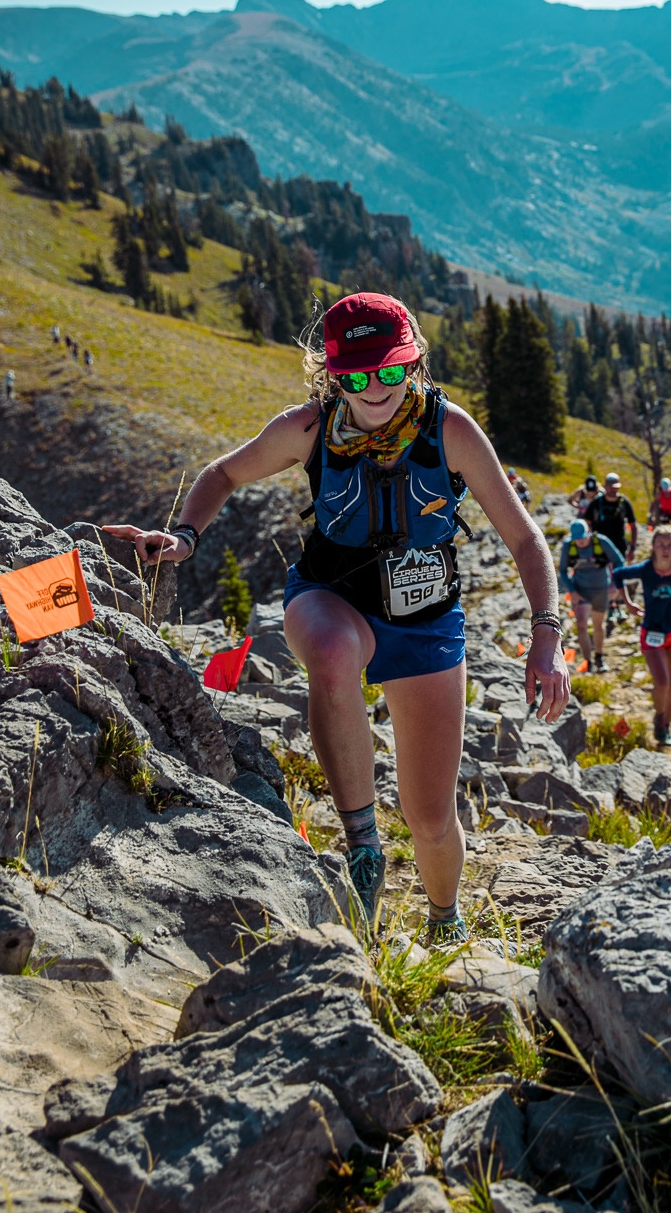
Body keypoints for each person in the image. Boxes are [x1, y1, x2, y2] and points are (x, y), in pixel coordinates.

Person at [103, 291, 570, 940]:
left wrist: (546, 635)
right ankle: (361, 847)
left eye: (390, 370)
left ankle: (443, 919)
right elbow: (223, 473)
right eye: (355, 375)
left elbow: (525, 540)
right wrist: (184, 537)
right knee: (329, 654)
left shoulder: (451, 430)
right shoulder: (307, 429)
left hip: (425, 620)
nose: (374, 388)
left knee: (431, 817)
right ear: (331, 373)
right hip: (332, 594)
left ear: (415, 363)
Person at [614, 526, 671, 747]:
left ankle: (664, 725)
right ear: (653, 547)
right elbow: (618, 574)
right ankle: (659, 714)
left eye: (669, 545)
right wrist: (628, 603)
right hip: (652, 630)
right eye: (661, 544)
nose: (665, 549)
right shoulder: (646, 569)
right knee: (662, 681)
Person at [556, 518, 624, 671]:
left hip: (601, 590)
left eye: (582, 537)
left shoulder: (601, 542)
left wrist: (614, 584)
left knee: (598, 624)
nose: (579, 542)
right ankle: (588, 662)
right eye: (576, 539)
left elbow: (619, 562)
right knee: (581, 626)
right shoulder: (569, 546)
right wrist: (572, 591)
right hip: (581, 591)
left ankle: (599, 656)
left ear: (588, 532)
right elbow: (562, 571)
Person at [586, 472, 637, 627]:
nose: (614, 491)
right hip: (600, 547)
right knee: (605, 577)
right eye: (611, 487)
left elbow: (634, 526)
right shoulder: (597, 503)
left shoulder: (624, 503)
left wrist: (633, 547)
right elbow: (587, 522)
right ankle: (611, 608)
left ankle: (617, 607)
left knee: (618, 577)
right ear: (606, 486)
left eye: (616, 488)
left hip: (620, 546)